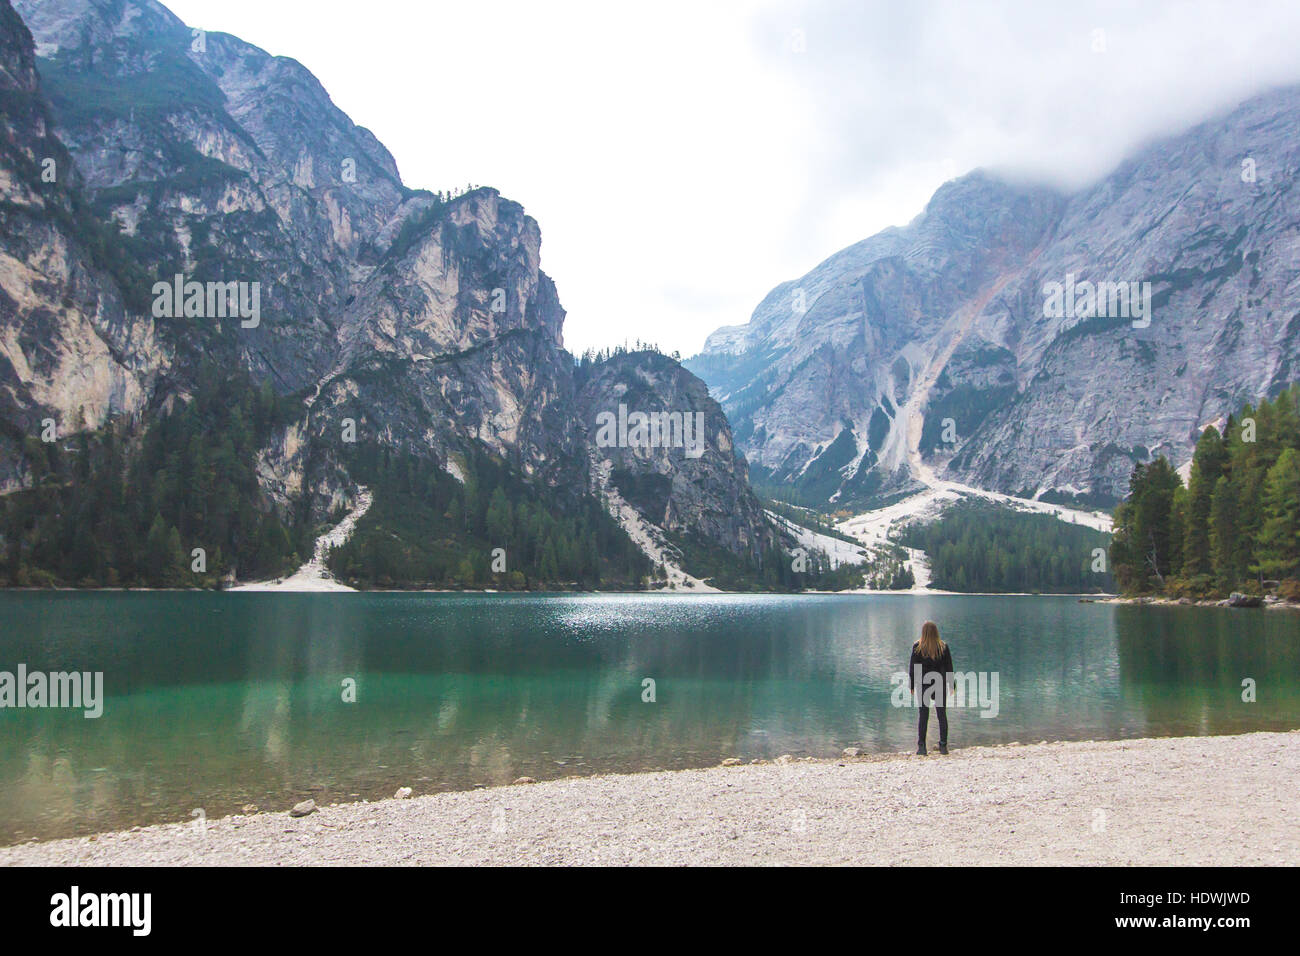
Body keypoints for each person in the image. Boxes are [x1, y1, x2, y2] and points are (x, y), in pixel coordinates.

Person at [908, 620, 953, 755]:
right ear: (936, 632)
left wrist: (911, 684)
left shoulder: (917, 646)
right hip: (939, 683)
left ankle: (922, 747)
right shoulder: (943, 646)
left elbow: (913, 668)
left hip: (923, 684)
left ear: (923, 632)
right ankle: (943, 746)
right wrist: (952, 684)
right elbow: (949, 667)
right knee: (941, 715)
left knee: (923, 715)